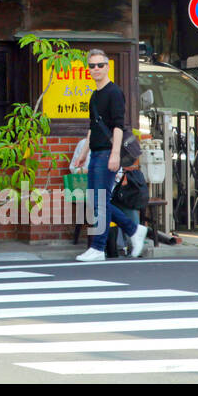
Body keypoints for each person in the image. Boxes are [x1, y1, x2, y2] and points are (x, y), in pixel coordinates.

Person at [72, 49, 148, 262]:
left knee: (100, 201)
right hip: (96, 153)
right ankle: (134, 230)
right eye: (92, 66)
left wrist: (115, 154)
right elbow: (93, 127)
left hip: (108, 153)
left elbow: (118, 126)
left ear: (107, 67)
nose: (96, 69)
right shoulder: (95, 95)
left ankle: (98, 247)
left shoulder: (114, 92)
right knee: (97, 201)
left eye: (100, 65)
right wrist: (83, 153)